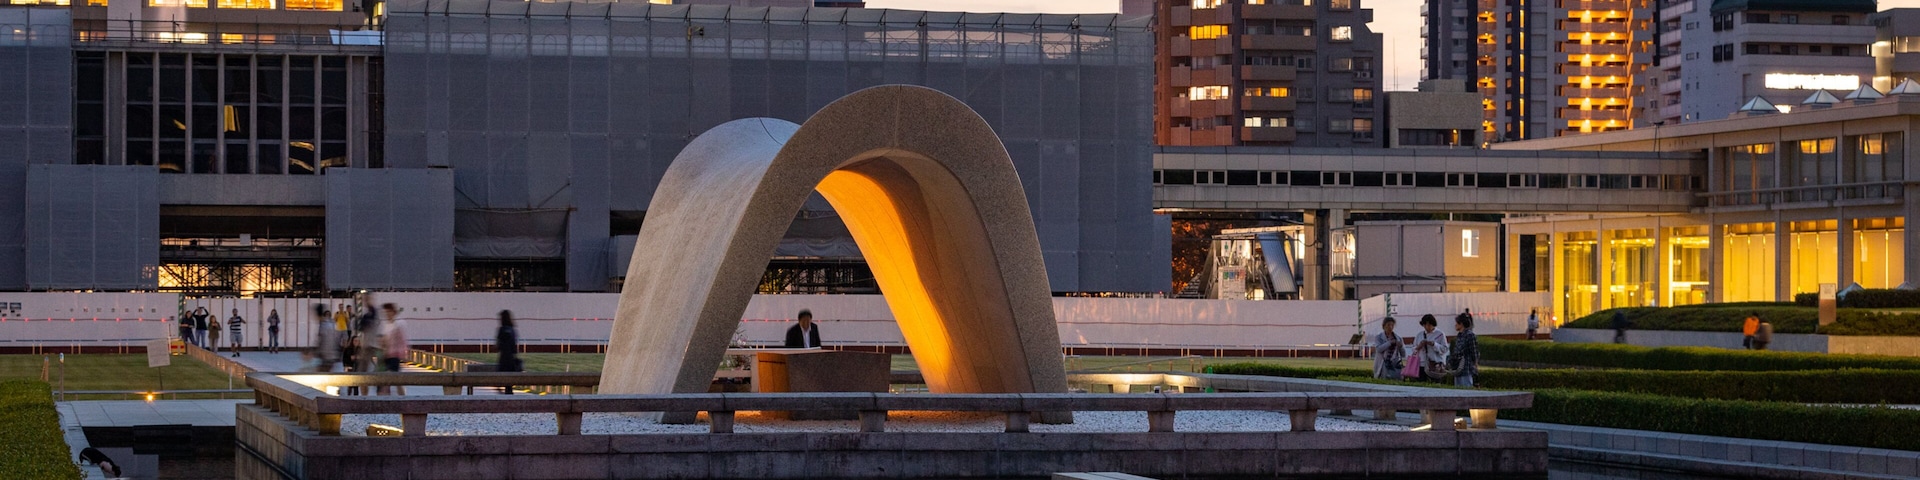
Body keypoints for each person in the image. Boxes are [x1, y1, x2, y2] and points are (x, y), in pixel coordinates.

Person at [377, 303, 408, 395]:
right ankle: (386, 398)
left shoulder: (398, 324)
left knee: (393, 378)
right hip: (385, 356)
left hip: (394, 355)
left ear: (393, 312)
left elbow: (403, 340)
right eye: (386, 312)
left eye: (389, 311)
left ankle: (403, 399)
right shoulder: (385, 325)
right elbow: (382, 339)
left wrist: (404, 354)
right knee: (387, 380)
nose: (387, 314)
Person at [1412, 315, 1450, 382]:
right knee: (1421, 384)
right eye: (1425, 325)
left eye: (1429, 325)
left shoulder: (1440, 334)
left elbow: (1445, 349)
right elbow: (1414, 350)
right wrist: (1419, 346)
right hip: (1422, 364)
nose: (1427, 327)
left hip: (1435, 364)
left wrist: (1433, 344)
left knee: (1435, 384)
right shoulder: (1419, 335)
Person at [1447, 313, 1481, 388]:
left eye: (1456, 323)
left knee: (1466, 389)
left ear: (1461, 324)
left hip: (1466, 368)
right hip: (1457, 368)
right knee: (1457, 390)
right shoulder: (1460, 335)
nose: (1455, 325)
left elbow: (1474, 352)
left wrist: (1475, 365)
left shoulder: (1470, 335)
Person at [497, 310, 522, 395]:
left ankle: (504, 396)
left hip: (503, 359)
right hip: (511, 359)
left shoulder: (501, 329)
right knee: (509, 385)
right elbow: (514, 346)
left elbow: (498, 346)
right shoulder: (512, 330)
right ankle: (509, 396)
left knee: (500, 380)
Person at [313, 305, 341, 373]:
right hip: (330, 355)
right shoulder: (329, 323)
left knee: (322, 375)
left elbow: (327, 341)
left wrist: (321, 353)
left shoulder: (325, 325)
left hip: (328, 356)